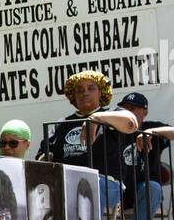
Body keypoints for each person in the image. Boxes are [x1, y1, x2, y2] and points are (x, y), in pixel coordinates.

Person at [37, 70, 137, 210]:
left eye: (91, 88)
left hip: (105, 184)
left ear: (101, 92)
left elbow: (131, 122)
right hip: (67, 185)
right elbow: (43, 157)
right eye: (79, 90)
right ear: (74, 96)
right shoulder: (62, 124)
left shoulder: (112, 115)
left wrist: (96, 119)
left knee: (87, 185)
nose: (85, 93)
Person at [116, 92, 174, 220]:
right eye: (125, 108)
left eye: (134, 108)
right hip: (120, 191)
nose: (129, 112)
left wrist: (151, 133)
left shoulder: (151, 127)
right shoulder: (114, 130)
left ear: (144, 113)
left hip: (143, 190)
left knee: (152, 188)